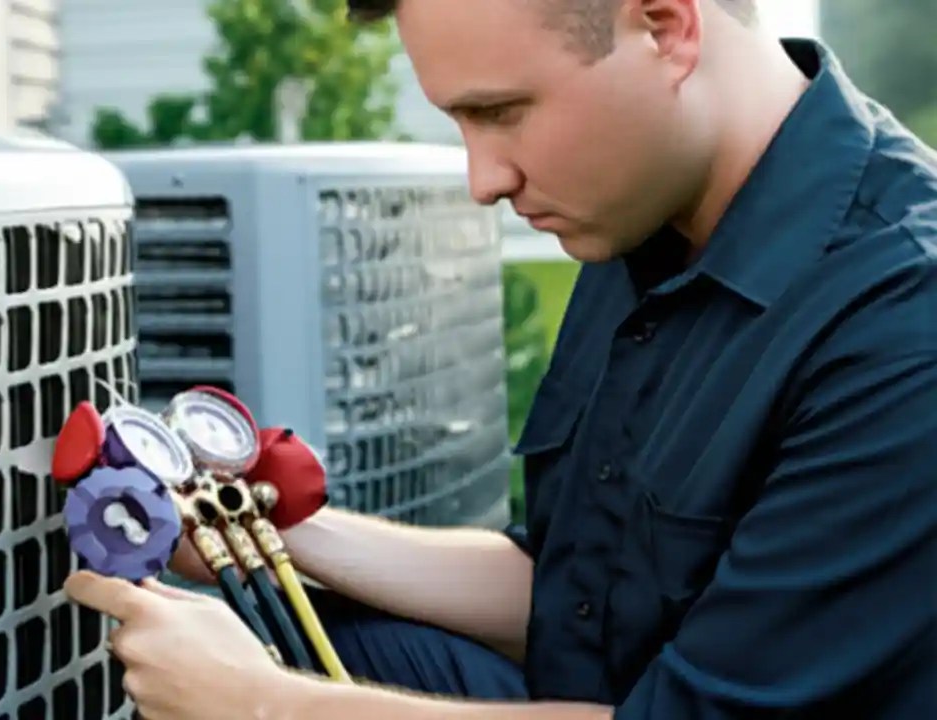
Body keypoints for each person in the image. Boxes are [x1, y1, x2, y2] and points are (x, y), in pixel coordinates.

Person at [65, 0, 937, 717]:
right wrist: (259, 530)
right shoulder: (639, 207)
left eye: (500, 113)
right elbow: (575, 591)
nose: (483, 180)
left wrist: (260, 703)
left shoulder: (903, 326)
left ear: (665, 28)